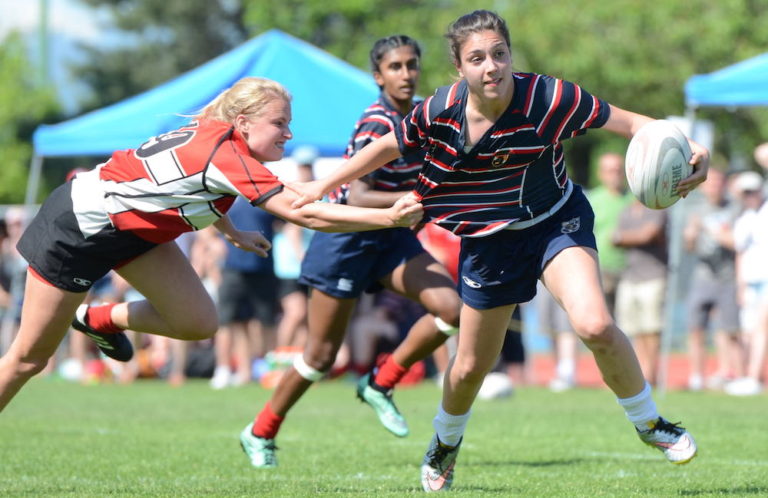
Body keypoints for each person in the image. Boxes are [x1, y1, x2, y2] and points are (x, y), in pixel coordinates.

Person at [289, 11, 709, 491]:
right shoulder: (440, 111)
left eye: (499, 54)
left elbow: (639, 124)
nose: (491, 67)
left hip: (556, 221)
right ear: (459, 67)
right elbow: (387, 146)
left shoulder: (549, 97)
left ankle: (651, 423)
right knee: (469, 366)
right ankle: (445, 443)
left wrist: (698, 150)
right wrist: (324, 182)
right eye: (477, 58)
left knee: (595, 324)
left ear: (510, 55)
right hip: (489, 241)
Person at [0, 77, 423, 413]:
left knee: (197, 322)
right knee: (27, 360)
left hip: (130, 234)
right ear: (242, 122)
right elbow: (306, 214)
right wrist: (387, 218)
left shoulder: (221, 141)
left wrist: (232, 232)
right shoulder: (227, 155)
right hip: (75, 231)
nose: (289, 133)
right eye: (280, 123)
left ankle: (98, 318)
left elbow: (190, 187)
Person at [239, 35, 461, 469]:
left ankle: (380, 382)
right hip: (346, 238)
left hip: (390, 235)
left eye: (411, 64)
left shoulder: (424, 117)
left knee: (451, 309)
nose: (406, 73)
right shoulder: (378, 121)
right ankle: (260, 429)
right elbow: (359, 193)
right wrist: (417, 203)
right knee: (320, 357)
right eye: (395, 67)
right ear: (378, 77)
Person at [683, 167, 743, 391]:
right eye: (710, 182)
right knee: (695, 327)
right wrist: (690, 236)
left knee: (730, 329)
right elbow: (689, 248)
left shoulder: (735, 209)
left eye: (718, 182)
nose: (714, 186)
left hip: (728, 276)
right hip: (703, 276)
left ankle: (737, 375)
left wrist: (716, 232)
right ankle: (697, 376)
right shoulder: (696, 210)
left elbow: (738, 242)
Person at [211, 198, 277, 389]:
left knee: (265, 322)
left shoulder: (266, 199)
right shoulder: (225, 197)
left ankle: (263, 369)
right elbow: (206, 224)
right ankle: (223, 369)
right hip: (232, 268)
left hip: (263, 267)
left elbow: (284, 226)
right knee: (227, 322)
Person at [612, 199, 668, 386]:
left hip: (653, 276)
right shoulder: (626, 210)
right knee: (635, 330)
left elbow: (648, 235)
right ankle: (643, 374)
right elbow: (613, 238)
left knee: (651, 330)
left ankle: (651, 374)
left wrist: (624, 238)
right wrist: (632, 237)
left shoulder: (657, 208)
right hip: (630, 276)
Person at [725, 170, 767, 396]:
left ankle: (752, 378)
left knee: (761, 327)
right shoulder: (743, 219)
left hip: (766, 278)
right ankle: (751, 375)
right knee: (748, 331)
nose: (750, 196)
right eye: (746, 192)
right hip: (751, 280)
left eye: (753, 191)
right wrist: (741, 285)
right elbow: (740, 253)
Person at [587, 152, 633, 315]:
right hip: (602, 269)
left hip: (631, 270)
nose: (615, 175)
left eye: (618, 170)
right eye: (609, 171)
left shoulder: (635, 198)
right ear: (601, 174)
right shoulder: (592, 200)